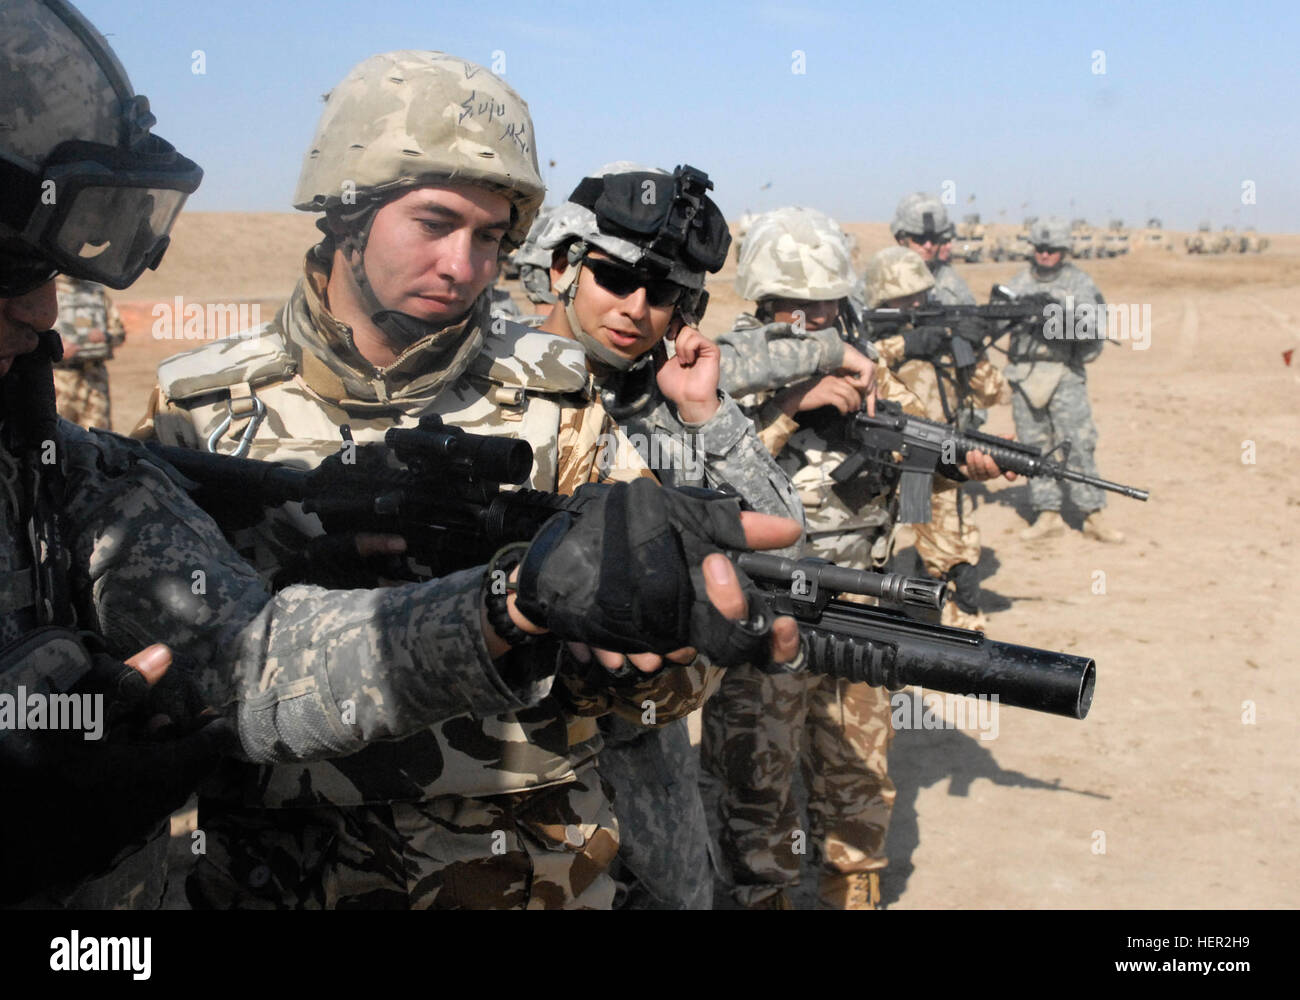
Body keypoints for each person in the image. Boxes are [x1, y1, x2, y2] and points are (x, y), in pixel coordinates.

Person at [2, 4, 789, 910]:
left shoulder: (557, 394)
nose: (462, 264)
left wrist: (608, 653)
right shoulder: (197, 403)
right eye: (434, 222)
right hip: (274, 875)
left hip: (524, 871)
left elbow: (667, 677)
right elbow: (168, 653)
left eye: (491, 237)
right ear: (348, 211)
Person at [533, 162, 806, 908]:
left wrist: (703, 415)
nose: (636, 309)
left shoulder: (667, 406)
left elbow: (784, 546)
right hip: (523, 759)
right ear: (562, 266)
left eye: (664, 296)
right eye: (616, 279)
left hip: (644, 750)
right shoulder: (496, 390)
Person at [862, 246, 1013, 629]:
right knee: (872, 555)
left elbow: (994, 393)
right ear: (882, 298)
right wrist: (907, 346)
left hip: (937, 462)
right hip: (880, 460)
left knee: (949, 553)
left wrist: (971, 349)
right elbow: (858, 360)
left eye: (920, 295)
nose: (916, 302)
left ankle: (957, 627)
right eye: (904, 297)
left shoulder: (943, 335)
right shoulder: (865, 341)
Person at [1004, 217, 1124, 543]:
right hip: (1025, 375)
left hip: (1063, 373)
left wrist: (1054, 318)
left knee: (1077, 444)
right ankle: (1047, 512)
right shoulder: (1016, 284)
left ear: (1064, 251)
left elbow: (1095, 326)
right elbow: (997, 323)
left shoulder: (1079, 284)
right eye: (1040, 249)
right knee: (1034, 447)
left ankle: (1092, 514)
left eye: (1052, 250)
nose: (1045, 255)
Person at [51, 275, 125, 429]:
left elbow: (119, 333)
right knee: (58, 437)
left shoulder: (95, 291)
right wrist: (56, 350)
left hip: (95, 380)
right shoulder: (46, 290)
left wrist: (106, 337)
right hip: (60, 382)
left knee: (99, 440)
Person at [891, 192, 975, 306]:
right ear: (901, 239)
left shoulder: (954, 289)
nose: (928, 246)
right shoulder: (879, 279)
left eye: (934, 238)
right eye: (919, 239)